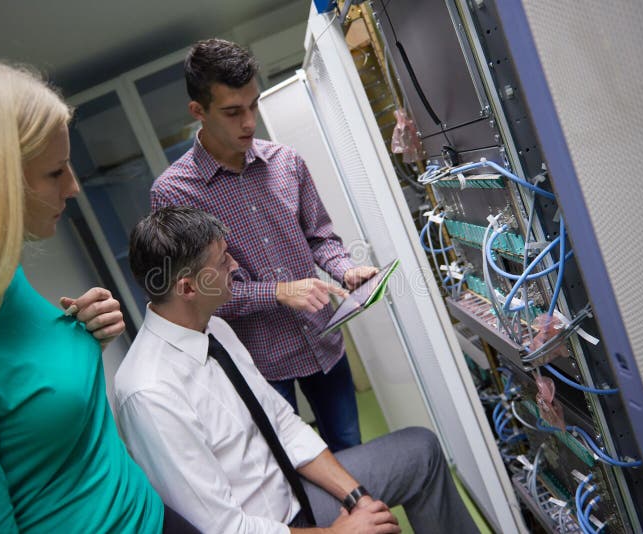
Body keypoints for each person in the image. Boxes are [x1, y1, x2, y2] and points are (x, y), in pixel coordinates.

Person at [0, 48, 198, 534]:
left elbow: (20, 386)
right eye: (55, 172)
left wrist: (79, 335)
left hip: (149, 510)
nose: (75, 187)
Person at [115, 205, 480, 534]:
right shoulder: (149, 392)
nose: (236, 267)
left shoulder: (215, 329)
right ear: (188, 287)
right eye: (224, 261)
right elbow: (223, 530)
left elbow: (281, 423)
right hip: (267, 526)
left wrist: (356, 498)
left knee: (420, 451)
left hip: (294, 492)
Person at [150, 38, 378, 452]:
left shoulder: (287, 162)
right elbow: (198, 295)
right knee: (290, 474)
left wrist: (345, 267)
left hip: (322, 341)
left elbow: (320, 238)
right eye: (233, 112)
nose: (250, 123)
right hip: (258, 362)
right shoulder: (174, 195)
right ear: (198, 112)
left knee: (351, 448)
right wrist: (277, 292)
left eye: (253, 106)